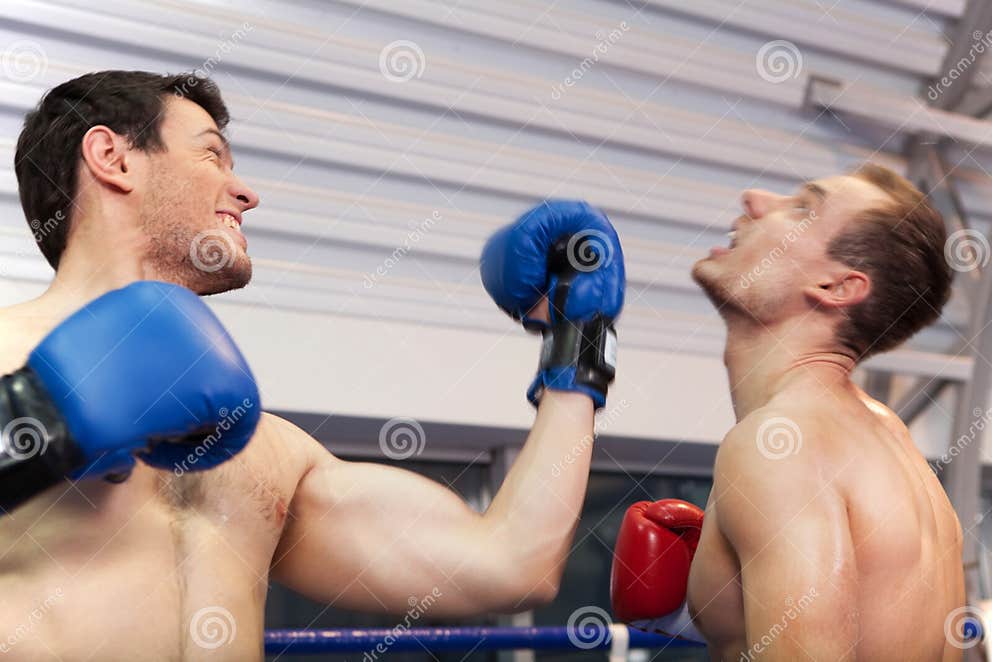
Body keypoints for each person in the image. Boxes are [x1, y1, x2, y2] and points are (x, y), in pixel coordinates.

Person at [2, 70, 625, 659]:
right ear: (112, 158)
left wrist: (581, 337)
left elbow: (513, 565)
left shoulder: (263, 450)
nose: (246, 192)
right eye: (211, 155)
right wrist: (38, 417)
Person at [611, 165, 963, 661]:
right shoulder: (888, 440)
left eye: (803, 209)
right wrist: (700, 614)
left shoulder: (780, 444)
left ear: (836, 285)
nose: (754, 198)